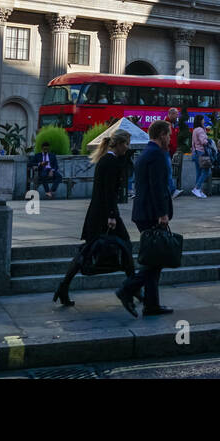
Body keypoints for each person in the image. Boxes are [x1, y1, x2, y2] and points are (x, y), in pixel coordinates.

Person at [54, 133, 134, 307]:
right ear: (119, 144)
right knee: (125, 246)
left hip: (98, 212)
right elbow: (109, 191)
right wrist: (112, 216)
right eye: (126, 144)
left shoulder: (105, 160)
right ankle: (132, 290)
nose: (128, 147)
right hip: (106, 213)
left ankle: (64, 287)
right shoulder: (112, 162)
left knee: (86, 251)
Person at [118, 121, 175, 317]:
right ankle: (127, 289)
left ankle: (152, 304)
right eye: (168, 134)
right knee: (153, 260)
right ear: (160, 134)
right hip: (152, 213)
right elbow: (157, 186)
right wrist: (162, 213)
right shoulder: (157, 154)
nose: (170, 138)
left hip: (142, 212)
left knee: (154, 258)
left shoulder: (145, 153)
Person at [190, 118, 213, 198]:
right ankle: (197, 188)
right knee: (206, 171)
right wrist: (209, 141)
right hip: (201, 153)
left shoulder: (195, 129)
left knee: (199, 172)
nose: (204, 121)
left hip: (195, 153)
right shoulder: (200, 130)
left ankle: (198, 190)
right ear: (200, 121)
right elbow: (203, 141)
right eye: (202, 119)